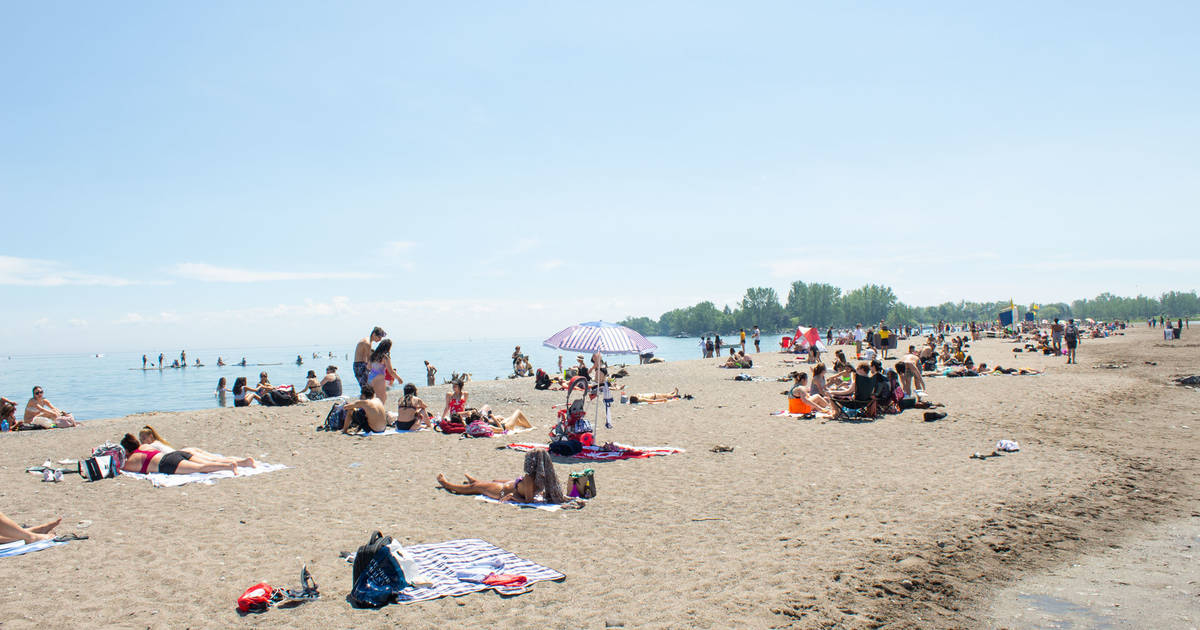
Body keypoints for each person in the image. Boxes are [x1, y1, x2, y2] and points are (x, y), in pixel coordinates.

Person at [436, 449, 568, 504]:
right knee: (492, 481)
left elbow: (528, 500)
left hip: (504, 490)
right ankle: (477, 481)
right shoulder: (544, 475)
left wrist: (513, 497)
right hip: (511, 484)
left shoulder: (529, 478)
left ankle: (447, 484)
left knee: (474, 487)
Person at [120, 433, 240, 475]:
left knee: (201, 468)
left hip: (168, 463)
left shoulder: (132, 460)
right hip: (175, 454)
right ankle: (236, 463)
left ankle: (229, 466)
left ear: (126, 450)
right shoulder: (145, 446)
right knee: (209, 462)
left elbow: (121, 468)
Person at [137, 426, 255, 468]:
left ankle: (242, 463)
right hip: (186, 451)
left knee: (210, 461)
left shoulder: (151, 445)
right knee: (213, 458)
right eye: (140, 440)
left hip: (181, 454)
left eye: (143, 439)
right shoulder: (159, 442)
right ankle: (243, 461)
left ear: (150, 436)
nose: (142, 442)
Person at [366, 339, 403, 404]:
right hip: (379, 380)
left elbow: (368, 367)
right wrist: (399, 379)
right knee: (381, 399)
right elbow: (391, 371)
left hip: (370, 379)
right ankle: (378, 413)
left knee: (371, 399)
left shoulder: (373, 356)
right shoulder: (385, 357)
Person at [353, 326, 387, 392]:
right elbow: (370, 358)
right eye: (379, 337)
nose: (380, 339)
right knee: (365, 387)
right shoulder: (367, 343)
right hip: (360, 365)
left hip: (360, 364)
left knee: (367, 386)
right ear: (374, 334)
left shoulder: (368, 341)